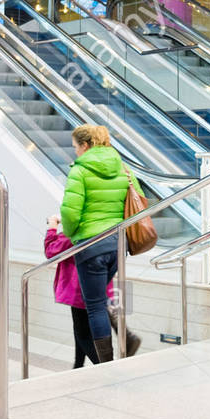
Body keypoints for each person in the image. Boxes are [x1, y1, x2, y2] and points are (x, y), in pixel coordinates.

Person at [60, 123, 138, 363]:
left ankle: (106, 363)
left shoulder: (79, 170)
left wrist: (73, 236)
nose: (75, 152)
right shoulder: (123, 167)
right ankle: (126, 336)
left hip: (91, 245)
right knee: (99, 299)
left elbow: (71, 214)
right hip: (117, 244)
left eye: (75, 147)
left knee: (93, 306)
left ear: (85, 145)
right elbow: (135, 201)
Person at [44, 213, 139, 367]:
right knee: (81, 328)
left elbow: (50, 251)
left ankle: (105, 367)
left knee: (83, 334)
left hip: (79, 289)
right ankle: (78, 365)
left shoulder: (76, 234)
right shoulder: (103, 229)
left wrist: (52, 227)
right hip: (100, 285)